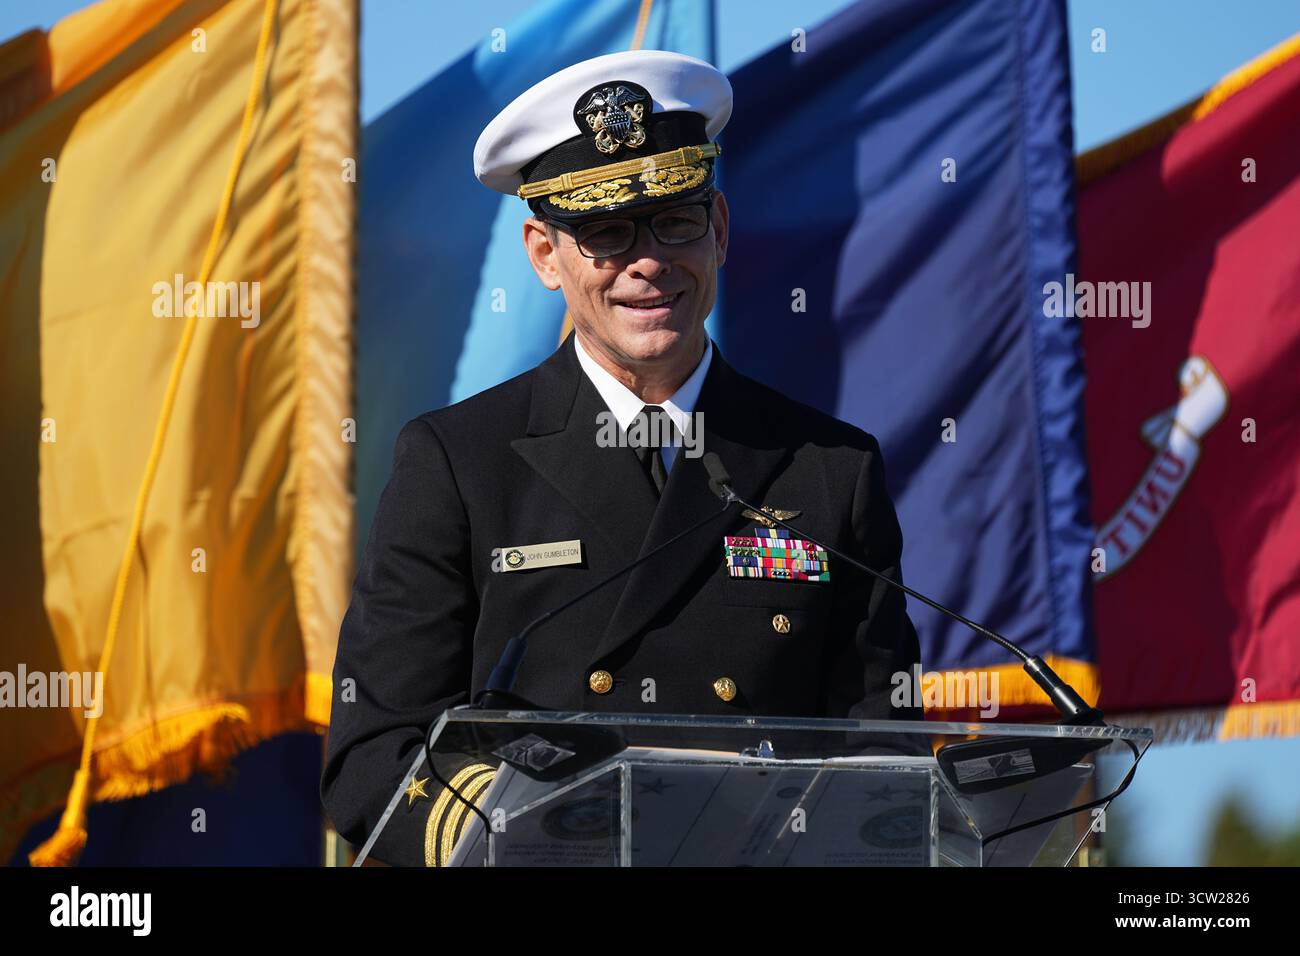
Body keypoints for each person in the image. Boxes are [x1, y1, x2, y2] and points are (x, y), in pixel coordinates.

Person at [321, 50, 923, 867]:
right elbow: (374, 754)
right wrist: (535, 841)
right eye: (605, 233)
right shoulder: (459, 464)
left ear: (717, 230)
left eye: (674, 221)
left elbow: (880, 757)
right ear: (544, 254)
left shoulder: (829, 469)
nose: (648, 262)